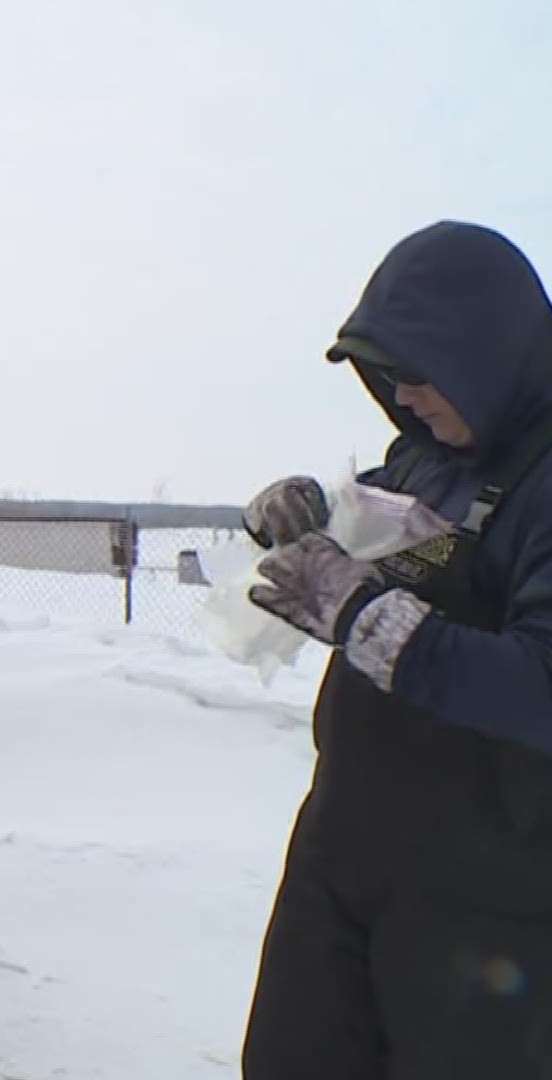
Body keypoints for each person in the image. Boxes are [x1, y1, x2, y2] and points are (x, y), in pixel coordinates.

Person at [237, 220, 552, 1078]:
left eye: (418, 373)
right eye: (389, 376)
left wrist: (366, 620)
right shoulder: (421, 460)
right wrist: (298, 517)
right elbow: (361, 533)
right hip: (344, 857)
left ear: (483, 353)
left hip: (489, 911)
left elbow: (541, 685)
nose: (404, 397)